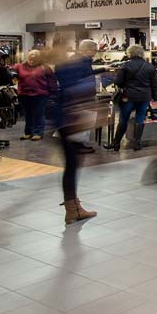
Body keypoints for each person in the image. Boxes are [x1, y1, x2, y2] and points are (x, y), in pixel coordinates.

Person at [54, 39, 99, 224]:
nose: (96, 53)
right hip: (75, 118)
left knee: (72, 166)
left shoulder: (65, 65)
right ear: (87, 50)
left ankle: (73, 207)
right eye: (94, 49)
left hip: (66, 118)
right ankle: (73, 209)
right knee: (73, 166)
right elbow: (82, 90)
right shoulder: (81, 65)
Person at [111, 45, 156, 152]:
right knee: (140, 118)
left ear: (130, 53)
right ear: (141, 53)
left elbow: (118, 82)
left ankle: (116, 143)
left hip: (129, 97)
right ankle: (137, 143)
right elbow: (154, 84)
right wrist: (154, 97)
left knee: (123, 119)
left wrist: (126, 85)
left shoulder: (125, 65)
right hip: (144, 97)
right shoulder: (150, 66)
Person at [14, 50, 56, 140]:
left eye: (34, 59)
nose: (32, 61)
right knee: (28, 114)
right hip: (24, 94)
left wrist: (53, 93)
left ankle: (38, 132)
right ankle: (28, 132)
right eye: (30, 59)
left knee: (39, 114)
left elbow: (52, 81)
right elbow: (10, 73)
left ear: (39, 59)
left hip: (40, 94)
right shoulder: (20, 67)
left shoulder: (45, 68)